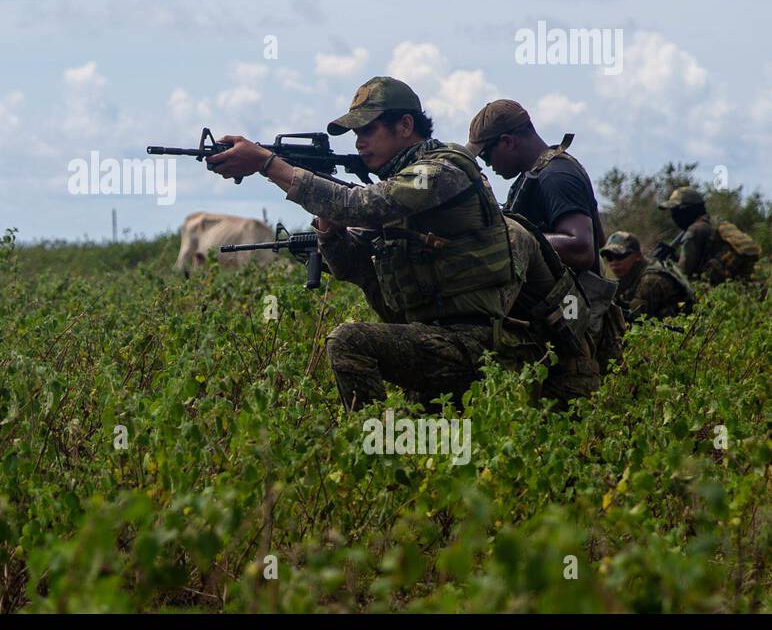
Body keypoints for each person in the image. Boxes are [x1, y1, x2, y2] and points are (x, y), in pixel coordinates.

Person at [206, 76, 539, 411]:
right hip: (434, 341)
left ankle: (374, 446)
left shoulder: (441, 170)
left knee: (349, 342)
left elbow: (361, 205)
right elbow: (352, 267)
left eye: (368, 130)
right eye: (355, 134)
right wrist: (327, 226)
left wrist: (267, 164)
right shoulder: (399, 186)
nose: (359, 143)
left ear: (405, 125)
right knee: (435, 450)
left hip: (474, 343)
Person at [467, 99, 623, 372]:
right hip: (557, 322)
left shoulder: (556, 175)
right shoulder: (536, 175)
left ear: (508, 142)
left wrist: (510, 237)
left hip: (571, 327)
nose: (487, 164)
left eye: (486, 155)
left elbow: (582, 247)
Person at [657, 187, 761, 285]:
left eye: (675, 211)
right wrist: (675, 258)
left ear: (685, 210)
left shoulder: (695, 231)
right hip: (739, 283)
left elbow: (682, 275)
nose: (673, 216)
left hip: (717, 290)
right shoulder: (716, 223)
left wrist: (666, 265)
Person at [599, 231, 694, 322]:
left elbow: (635, 318)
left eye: (620, 256)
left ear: (637, 256)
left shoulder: (649, 280)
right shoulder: (634, 275)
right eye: (609, 258)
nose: (614, 263)